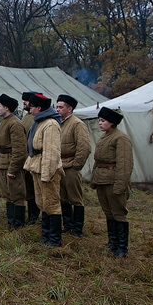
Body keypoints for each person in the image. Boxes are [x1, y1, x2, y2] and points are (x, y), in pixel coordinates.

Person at [91, 107, 134, 258]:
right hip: (102, 180)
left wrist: (120, 185)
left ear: (112, 123)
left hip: (113, 181)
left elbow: (124, 164)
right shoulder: (105, 137)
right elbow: (98, 161)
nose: (100, 123)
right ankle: (113, 243)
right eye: (100, 120)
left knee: (118, 213)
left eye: (103, 121)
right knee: (108, 213)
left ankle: (122, 247)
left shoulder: (120, 138)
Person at [23, 93, 64, 247]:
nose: (29, 109)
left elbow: (52, 153)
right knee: (42, 203)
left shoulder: (51, 124)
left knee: (51, 203)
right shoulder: (40, 122)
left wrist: (47, 175)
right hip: (37, 167)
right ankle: (45, 235)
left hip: (47, 169)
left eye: (32, 107)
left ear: (39, 108)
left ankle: (54, 238)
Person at [56, 94, 91, 237]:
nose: (57, 109)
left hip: (71, 166)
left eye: (61, 107)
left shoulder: (77, 124)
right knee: (63, 197)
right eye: (56, 106)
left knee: (75, 198)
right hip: (60, 166)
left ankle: (77, 229)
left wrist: (76, 166)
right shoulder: (58, 123)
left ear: (69, 109)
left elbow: (84, 147)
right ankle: (68, 225)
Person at [0, 94, 28, 230]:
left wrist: (13, 169)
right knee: (7, 195)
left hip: (11, 163)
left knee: (16, 195)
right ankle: (11, 222)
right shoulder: (4, 121)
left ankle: (18, 224)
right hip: (3, 163)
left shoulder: (15, 124)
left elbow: (19, 150)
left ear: (6, 108)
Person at [21, 91, 40, 224]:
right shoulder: (26, 117)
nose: (24, 104)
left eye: (26, 102)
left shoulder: (38, 118)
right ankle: (32, 215)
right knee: (28, 189)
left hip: (35, 158)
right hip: (26, 158)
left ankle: (37, 216)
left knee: (36, 189)